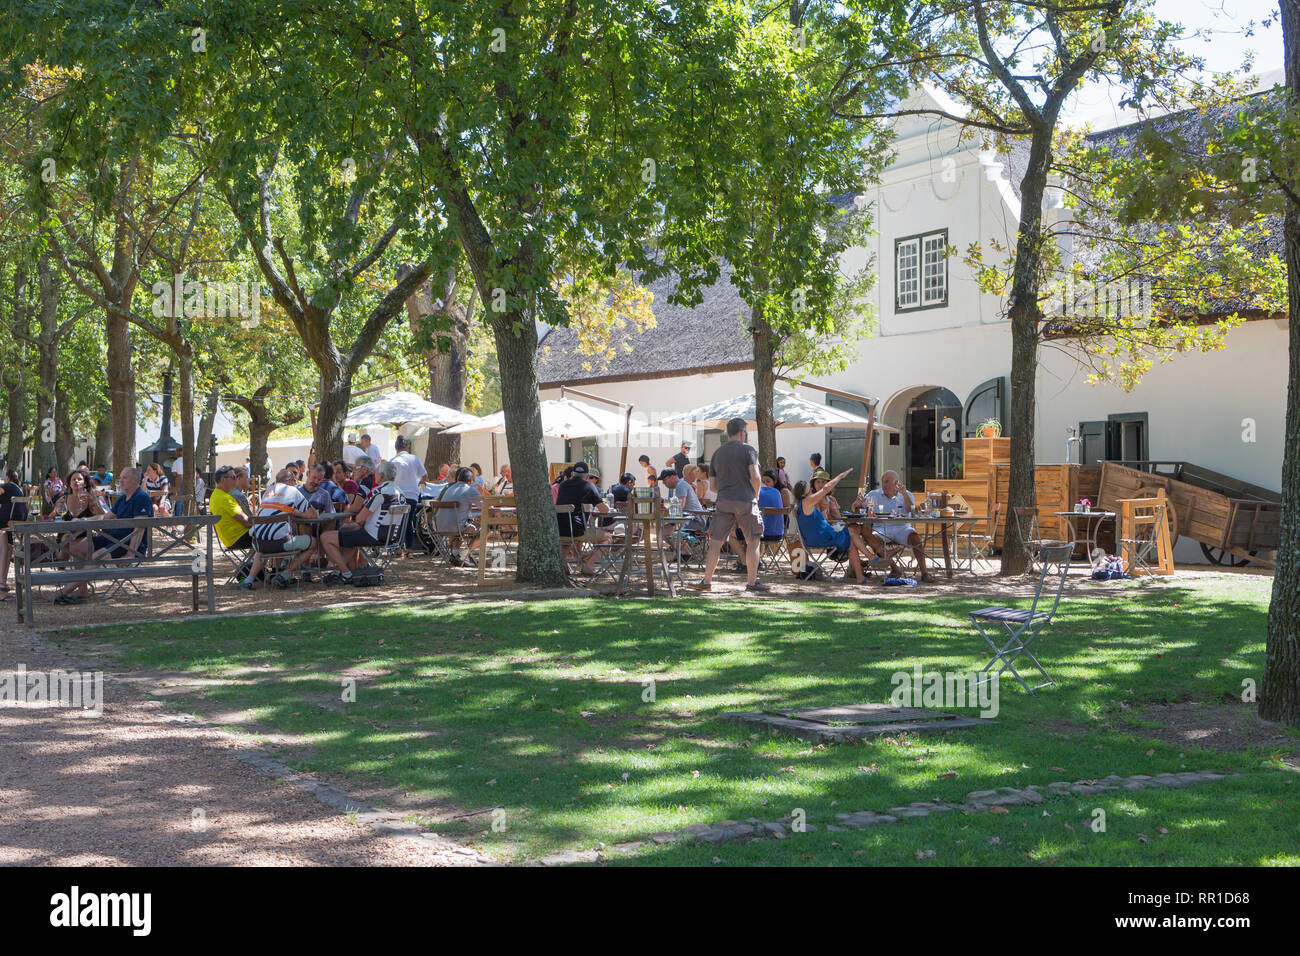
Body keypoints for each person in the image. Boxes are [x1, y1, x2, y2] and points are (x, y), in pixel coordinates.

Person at [687, 417, 768, 593]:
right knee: (753, 541)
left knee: (715, 543)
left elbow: (714, 486)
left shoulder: (717, 453)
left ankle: (706, 581)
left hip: (723, 501)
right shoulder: (748, 450)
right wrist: (756, 494)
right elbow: (755, 476)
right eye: (746, 432)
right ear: (741, 432)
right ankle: (752, 583)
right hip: (746, 500)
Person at [53, 466, 153, 604]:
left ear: (136, 480)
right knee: (77, 545)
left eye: (125, 478)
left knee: (98, 555)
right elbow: (106, 517)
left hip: (127, 544)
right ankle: (82, 590)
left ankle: (62, 592)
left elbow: (139, 528)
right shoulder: (123, 498)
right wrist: (83, 520)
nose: (121, 481)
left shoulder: (142, 497)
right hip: (113, 539)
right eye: (120, 478)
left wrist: (131, 553)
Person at [793, 470, 889, 585]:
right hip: (822, 538)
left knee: (851, 541)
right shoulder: (807, 502)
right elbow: (826, 489)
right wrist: (840, 476)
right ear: (806, 491)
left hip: (818, 536)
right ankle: (870, 557)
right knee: (851, 531)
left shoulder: (799, 504)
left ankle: (860, 576)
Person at [320, 460, 402, 582]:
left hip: (373, 535)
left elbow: (359, 518)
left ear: (382, 476)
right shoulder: (400, 493)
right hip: (392, 536)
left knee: (325, 537)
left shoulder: (380, 493)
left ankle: (345, 573)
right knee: (351, 532)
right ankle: (339, 571)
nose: (375, 475)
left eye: (377, 473)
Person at [240, 469, 317, 590]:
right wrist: (297, 513)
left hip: (258, 543)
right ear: (290, 481)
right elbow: (313, 515)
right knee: (313, 542)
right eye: (295, 480)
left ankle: (248, 580)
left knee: (263, 548)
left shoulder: (267, 492)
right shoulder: (292, 490)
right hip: (281, 543)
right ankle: (284, 575)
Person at [859, 469, 933, 582]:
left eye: (887, 481)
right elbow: (859, 507)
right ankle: (895, 568)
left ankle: (924, 573)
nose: (884, 484)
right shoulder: (874, 494)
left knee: (915, 538)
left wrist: (904, 495)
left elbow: (911, 511)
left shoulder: (906, 494)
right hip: (881, 529)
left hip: (902, 528)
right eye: (883, 481)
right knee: (872, 539)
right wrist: (857, 504)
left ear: (896, 483)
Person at [554, 462, 609, 574]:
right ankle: (588, 566)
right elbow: (604, 510)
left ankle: (564, 565)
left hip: (559, 529)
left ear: (573, 473)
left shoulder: (563, 485)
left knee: (567, 540)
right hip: (578, 531)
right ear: (587, 475)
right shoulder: (589, 486)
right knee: (607, 537)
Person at [208, 466, 254, 579]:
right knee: (271, 536)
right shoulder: (225, 499)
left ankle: (255, 571)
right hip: (239, 538)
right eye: (233, 477)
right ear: (224, 479)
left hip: (230, 539)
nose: (235, 480)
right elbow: (247, 522)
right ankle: (257, 573)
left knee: (268, 535)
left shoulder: (215, 495)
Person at [433, 466, 483, 566]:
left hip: (439, 527)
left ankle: (455, 554)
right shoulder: (469, 490)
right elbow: (484, 506)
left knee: (463, 526)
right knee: (485, 530)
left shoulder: (449, 489)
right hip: (457, 527)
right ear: (470, 481)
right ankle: (464, 555)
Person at [389, 436, 427, 550]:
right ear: (406, 446)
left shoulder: (393, 461)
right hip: (412, 495)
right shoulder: (414, 459)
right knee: (408, 522)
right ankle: (409, 549)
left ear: (396, 448)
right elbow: (424, 475)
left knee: (397, 522)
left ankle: (398, 547)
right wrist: (418, 483)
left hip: (398, 495)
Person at [0, 469, 30, 600]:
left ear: (7, 478)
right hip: (17, 519)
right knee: (7, 546)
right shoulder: (18, 488)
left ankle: (2, 584)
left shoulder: (6, 486)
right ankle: (2, 583)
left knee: (4, 547)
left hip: (6, 520)